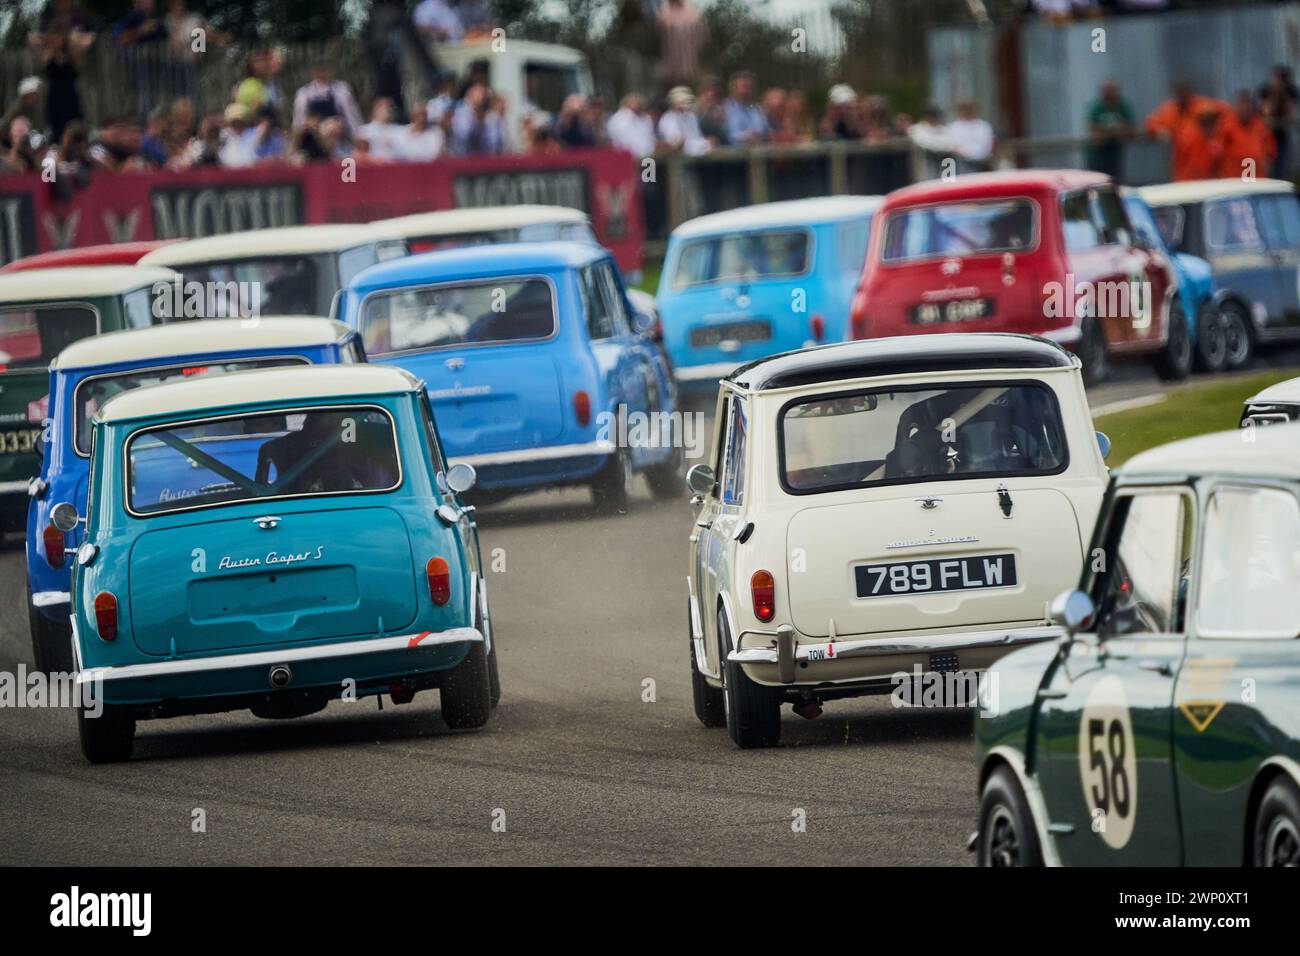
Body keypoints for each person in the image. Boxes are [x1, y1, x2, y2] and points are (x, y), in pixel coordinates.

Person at [1146, 82, 1229, 182]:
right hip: (1184, 166)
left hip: (1206, 160)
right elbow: (1151, 123)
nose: (1183, 97)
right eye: (1180, 94)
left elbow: (1226, 112)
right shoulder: (1171, 110)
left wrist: (1216, 129)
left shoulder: (1201, 104)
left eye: (1185, 93)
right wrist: (1160, 131)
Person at [292, 59, 363, 140]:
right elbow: (298, 119)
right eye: (319, 71)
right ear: (313, 72)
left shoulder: (341, 89)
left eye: (324, 70)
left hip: (339, 133)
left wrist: (358, 136)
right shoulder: (304, 92)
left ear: (331, 71)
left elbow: (351, 114)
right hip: (314, 136)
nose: (322, 74)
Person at [1219, 91, 1276, 180]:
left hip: (1256, 180)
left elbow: (1270, 153)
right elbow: (1217, 152)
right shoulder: (1227, 126)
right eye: (1242, 104)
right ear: (1236, 106)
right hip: (1233, 181)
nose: (1245, 108)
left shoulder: (1261, 127)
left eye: (1247, 105)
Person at [1085, 79, 1135, 180]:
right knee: (1098, 182)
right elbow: (1093, 132)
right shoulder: (1097, 108)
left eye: (1112, 89)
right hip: (1097, 157)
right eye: (1107, 89)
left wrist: (1111, 131)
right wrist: (1114, 131)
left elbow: (1131, 129)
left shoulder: (1122, 107)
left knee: (1114, 182)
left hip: (1114, 155)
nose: (1110, 92)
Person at [655, 0, 707, 88]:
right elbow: (656, 41)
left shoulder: (695, 14)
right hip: (669, 70)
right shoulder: (662, 15)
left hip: (691, 69)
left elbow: (703, 40)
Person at [1260, 65, 1298, 178]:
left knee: (1281, 165)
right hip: (1266, 134)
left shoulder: (1290, 91)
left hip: (1281, 134)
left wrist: (1282, 94)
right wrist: (1275, 94)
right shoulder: (1266, 90)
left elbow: (1289, 115)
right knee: (1265, 163)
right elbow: (1266, 114)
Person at [450, 83, 506, 155]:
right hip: (463, 160)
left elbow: (494, 143)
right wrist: (476, 115)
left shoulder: (491, 118)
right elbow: (464, 136)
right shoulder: (460, 113)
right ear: (470, 96)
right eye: (478, 95)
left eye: (484, 96)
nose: (482, 99)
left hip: (484, 160)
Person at [658, 85, 709, 155]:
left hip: (696, 156)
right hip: (675, 159)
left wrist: (707, 142)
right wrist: (703, 144)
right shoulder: (667, 119)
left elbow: (697, 137)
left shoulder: (691, 116)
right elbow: (676, 145)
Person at [723, 71, 767, 145]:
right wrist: (747, 136)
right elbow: (731, 135)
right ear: (733, 88)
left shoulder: (756, 108)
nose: (746, 91)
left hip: (759, 150)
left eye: (749, 87)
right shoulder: (725, 108)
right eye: (743, 86)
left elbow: (763, 130)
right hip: (732, 153)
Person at [947, 100, 994, 169]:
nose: (968, 111)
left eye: (970, 109)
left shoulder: (983, 125)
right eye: (965, 109)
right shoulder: (954, 126)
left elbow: (989, 144)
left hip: (982, 162)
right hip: (961, 162)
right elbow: (953, 145)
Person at [607, 93, 657, 157]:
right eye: (633, 103)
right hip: (627, 157)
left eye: (639, 104)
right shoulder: (617, 119)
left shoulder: (646, 118)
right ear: (627, 104)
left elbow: (650, 137)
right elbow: (615, 139)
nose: (636, 106)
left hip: (648, 156)